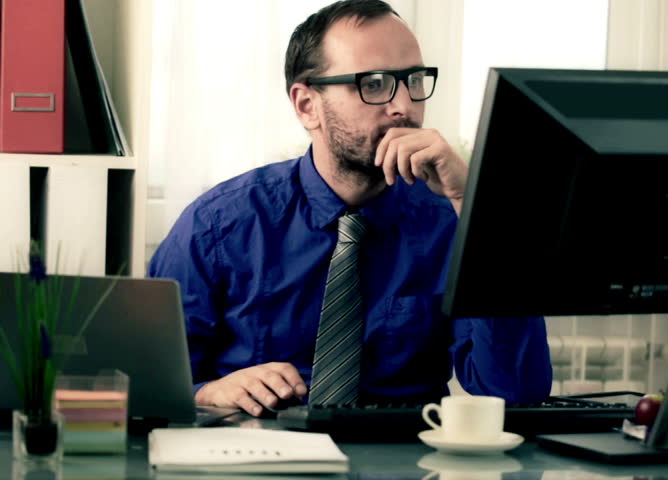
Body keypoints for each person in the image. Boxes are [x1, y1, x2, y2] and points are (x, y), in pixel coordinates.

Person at [149, 0, 552, 417]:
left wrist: (475, 209)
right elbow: (149, 384)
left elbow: (516, 393)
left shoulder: (452, 222)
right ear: (307, 105)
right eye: (374, 83)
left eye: (413, 80)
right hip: (258, 454)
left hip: (403, 459)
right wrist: (210, 392)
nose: (403, 106)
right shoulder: (218, 223)